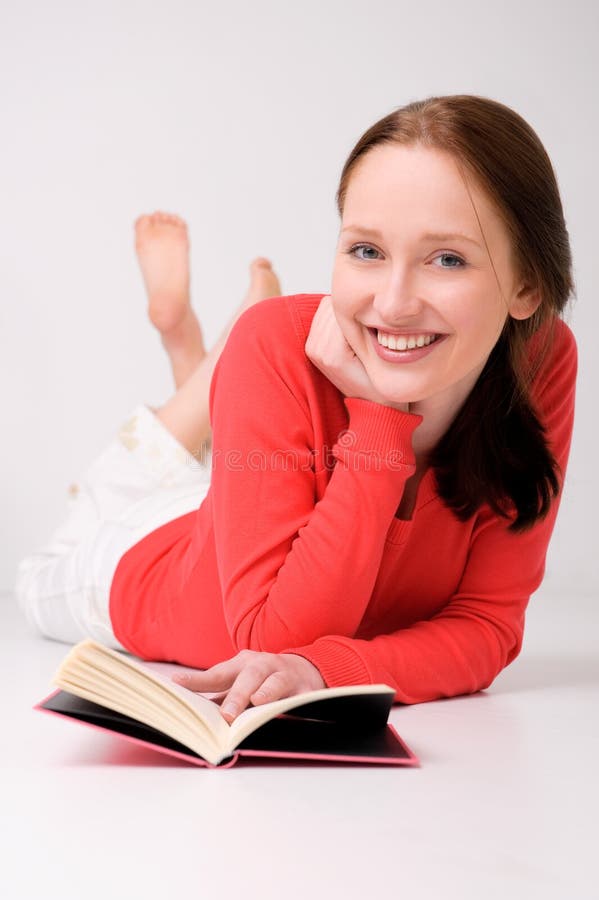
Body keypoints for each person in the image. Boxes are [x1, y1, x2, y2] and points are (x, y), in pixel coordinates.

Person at [16, 94, 578, 726]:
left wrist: (325, 671)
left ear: (527, 285)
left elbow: (487, 626)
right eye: (366, 251)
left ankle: (203, 364)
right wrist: (380, 419)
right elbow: (272, 641)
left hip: (240, 513)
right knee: (64, 542)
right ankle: (200, 361)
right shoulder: (282, 344)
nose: (392, 306)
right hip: (147, 559)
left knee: (211, 467)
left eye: (446, 259)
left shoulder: (541, 361)